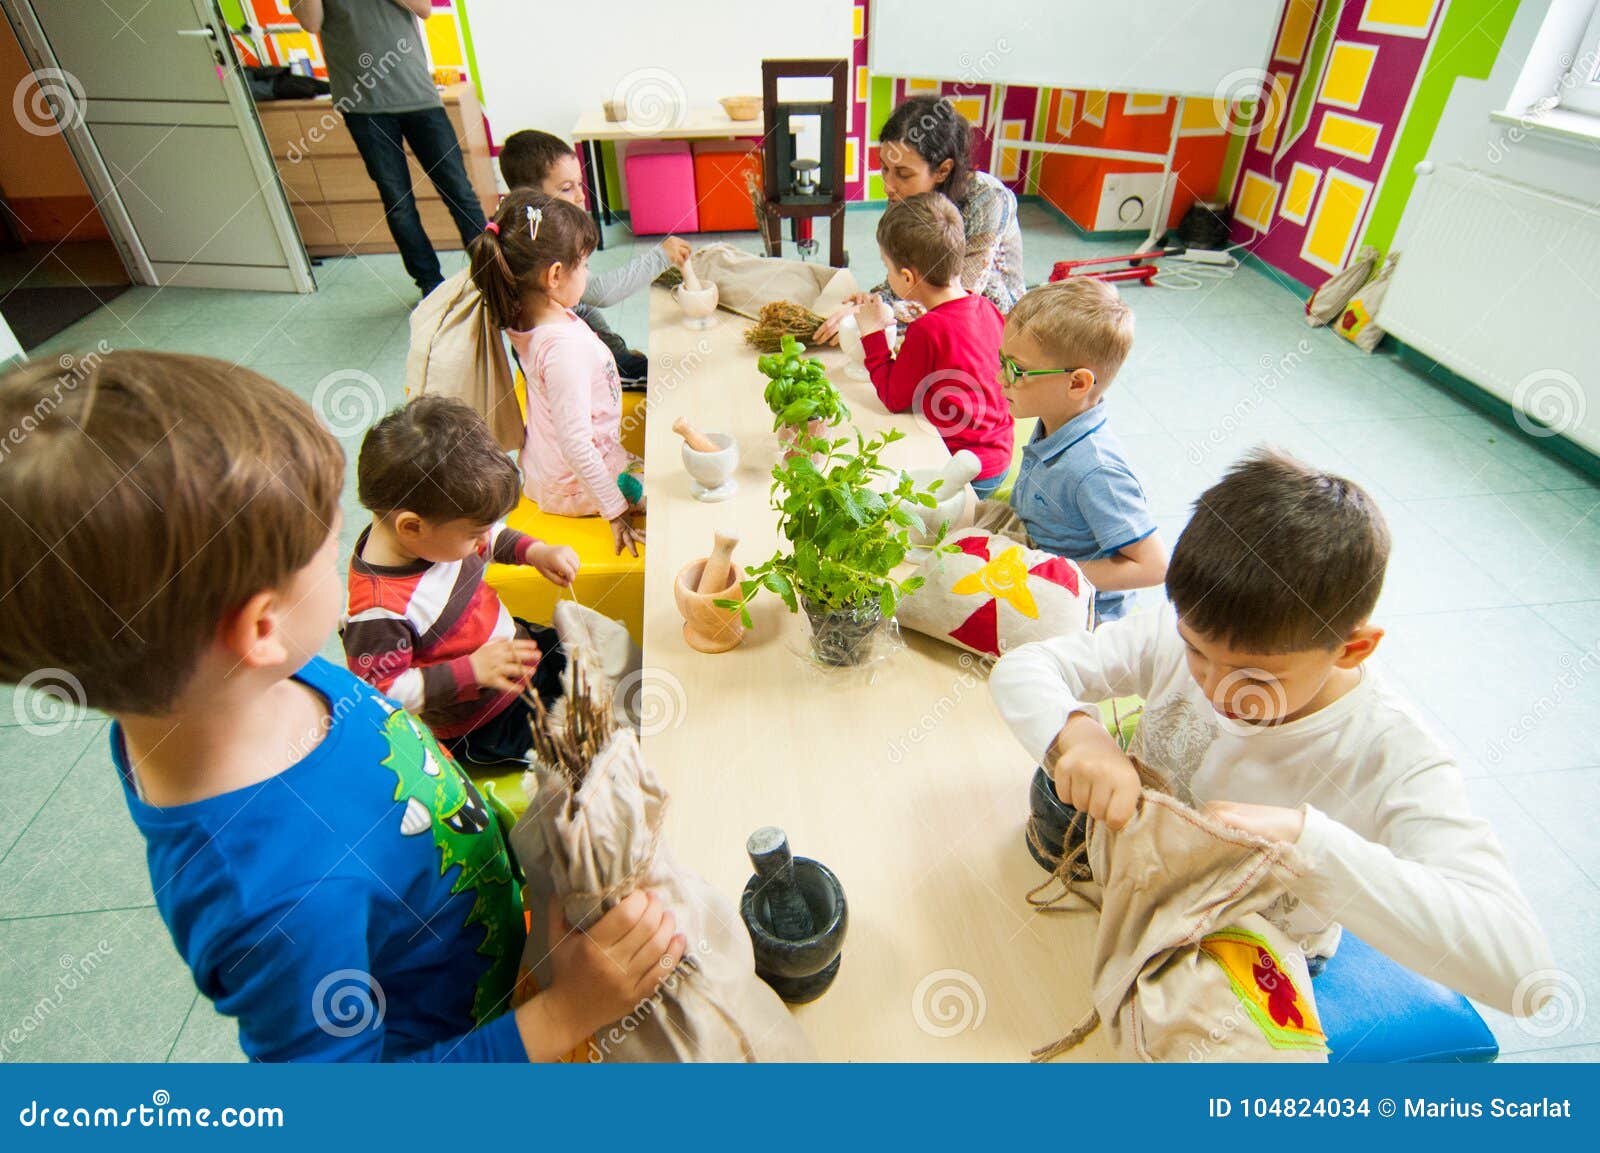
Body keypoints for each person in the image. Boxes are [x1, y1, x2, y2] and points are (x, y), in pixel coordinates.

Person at [0, 351, 684, 1060]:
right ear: (260, 626)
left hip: (494, 935)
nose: (351, 551)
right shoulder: (271, 903)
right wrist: (564, 1014)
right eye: (328, 540)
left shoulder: (264, 681)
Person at [989, 449, 1554, 1012]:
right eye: (1197, 653)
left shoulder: (1392, 753)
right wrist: (1080, 734)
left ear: (1352, 648)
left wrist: (1304, 843)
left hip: (1250, 940)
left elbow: (1525, 976)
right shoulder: (1184, 630)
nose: (1216, 690)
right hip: (1141, 880)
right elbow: (1025, 667)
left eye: (1255, 675)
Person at [343, 396, 581, 767]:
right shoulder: (379, 611)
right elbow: (381, 693)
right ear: (411, 526)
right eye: (473, 535)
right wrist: (470, 671)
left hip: (514, 650)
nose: (481, 542)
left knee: (588, 665)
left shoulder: (435, 534)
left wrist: (535, 552)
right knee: (573, 746)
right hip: (485, 721)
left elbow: (488, 536)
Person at [976, 278, 1166, 621]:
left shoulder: (1095, 469)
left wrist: (1051, 572)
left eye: (1016, 369)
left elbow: (1153, 566)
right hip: (1033, 563)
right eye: (1003, 361)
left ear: (1076, 383)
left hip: (1079, 613)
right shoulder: (1054, 420)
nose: (1000, 378)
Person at [468, 191, 644, 556]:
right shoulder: (564, 350)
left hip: (550, 469)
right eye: (584, 264)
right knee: (666, 492)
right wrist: (615, 512)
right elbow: (577, 444)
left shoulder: (529, 315)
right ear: (555, 275)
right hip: (570, 485)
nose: (589, 273)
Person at [290, 1, 487, 296]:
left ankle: (491, 273)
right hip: (364, 106)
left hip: (418, 96)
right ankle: (430, 285)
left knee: (459, 191)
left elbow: (423, 8)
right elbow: (311, 22)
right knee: (399, 204)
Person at [815, 94, 1025, 342]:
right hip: (936, 310)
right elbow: (905, 272)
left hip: (998, 325)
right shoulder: (905, 195)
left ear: (943, 170)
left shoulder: (989, 199)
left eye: (903, 174)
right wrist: (873, 301)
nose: (888, 186)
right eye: (884, 168)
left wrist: (881, 313)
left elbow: (960, 297)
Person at [499, 129, 690, 384]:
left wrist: (613, 342)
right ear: (530, 197)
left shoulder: (533, 230)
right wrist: (659, 257)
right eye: (567, 188)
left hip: (584, 341)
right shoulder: (542, 248)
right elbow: (598, 293)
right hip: (579, 362)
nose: (580, 196)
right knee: (664, 377)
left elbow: (583, 306)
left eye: (580, 184)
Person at [856, 192, 1012, 497]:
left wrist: (872, 333)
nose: (887, 276)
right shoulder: (986, 307)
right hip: (999, 456)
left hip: (967, 474)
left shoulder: (927, 330)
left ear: (906, 276)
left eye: (887, 269)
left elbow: (892, 397)